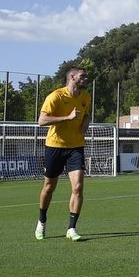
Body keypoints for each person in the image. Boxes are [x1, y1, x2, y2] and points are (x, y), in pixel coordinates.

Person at [36, 66, 91, 241]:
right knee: (49, 187)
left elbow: (87, 114)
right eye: (82, 77)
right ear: (72, 78)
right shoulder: (56, 96)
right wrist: (66, 118)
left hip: (76, 147)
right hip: (55, 147)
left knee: (78, 187)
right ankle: (42, 220)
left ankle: (71, 228)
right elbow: (41, 121)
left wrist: (85, 124)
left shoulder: (86, 97)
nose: (85, 79)